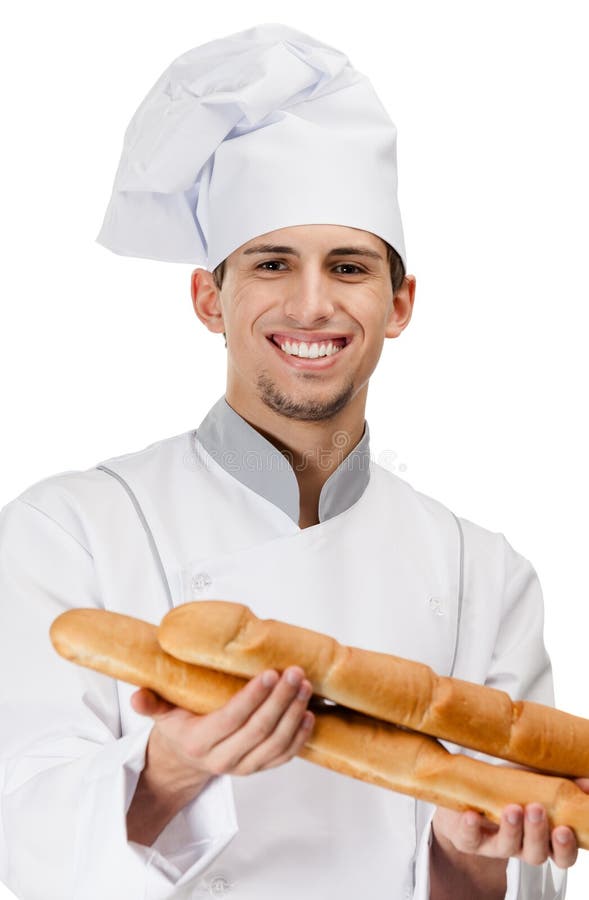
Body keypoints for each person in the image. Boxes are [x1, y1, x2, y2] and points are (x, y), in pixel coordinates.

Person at [0, 23, 583, 900]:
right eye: (272, 263)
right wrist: (168, 770)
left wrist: (469, 858)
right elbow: (16, 834)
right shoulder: (70, 530)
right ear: (208, 298)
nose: (312, 304)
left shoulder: (483, 570)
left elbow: (508, 871)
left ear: (398, 304)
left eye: (347, 267)